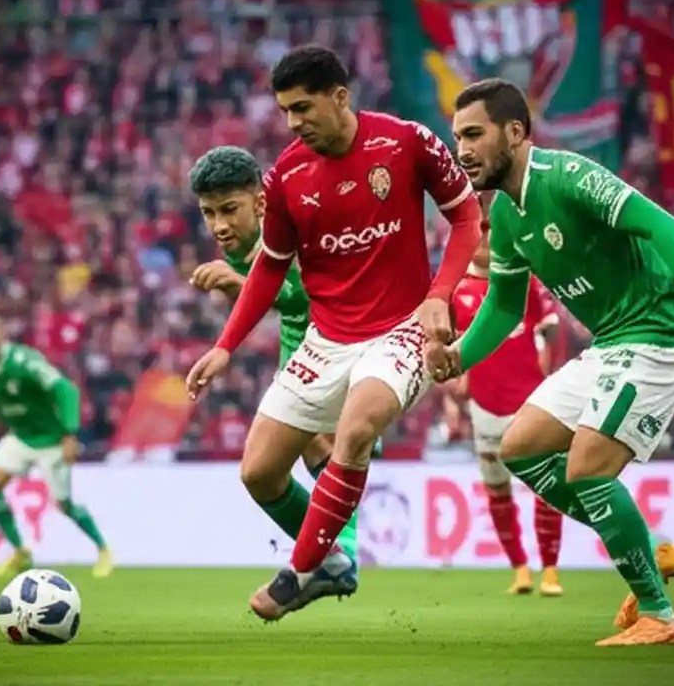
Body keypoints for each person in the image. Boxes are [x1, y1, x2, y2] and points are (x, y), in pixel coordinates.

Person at [439, 78, 674, 646]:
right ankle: (649, 551)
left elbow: (666, 227)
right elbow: (504, 306)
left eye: (474, 134)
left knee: (586, 468)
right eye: (458, 136)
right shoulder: (505, 216)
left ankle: (659, 615)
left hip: (660, 334)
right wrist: (459, 355)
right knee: (520, 448)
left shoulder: (568, 176)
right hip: (612, 341)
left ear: (515, 131)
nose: (462, 149)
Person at [185, 45, 482, 621]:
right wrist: (225, 347)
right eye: (285, 111)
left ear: (340, 97)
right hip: (327, 339)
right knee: (259, 472)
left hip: (402, 328)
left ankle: (302, 569)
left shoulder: (405, 142)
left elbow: (467, 218)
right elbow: (270, 267)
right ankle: (332, 561)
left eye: (302, 108)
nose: (292, 122)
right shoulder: (287, 176)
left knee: (355, 427)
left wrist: (439, 295)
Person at [187, 145, 362, 577]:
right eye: (209, 213)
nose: (219, 225)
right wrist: (236, 301)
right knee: (264, 469)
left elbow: (311, 293)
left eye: (229, 209)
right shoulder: (239, 242)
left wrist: (239, 284)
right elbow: (280, 300)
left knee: (319, 439)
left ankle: (343, 550)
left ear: (260, 202)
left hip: (343, 334)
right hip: (296, 341)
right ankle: (331, 553)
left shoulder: (295, 218)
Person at [450, 213, 564, 597]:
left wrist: (550, 373)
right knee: (497, 491)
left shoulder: (522, 279)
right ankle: (520, 569)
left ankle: (550, 571)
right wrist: (453, 391)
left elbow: (551, 328)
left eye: (489, 232)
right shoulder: (456, 291)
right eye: (477, 233)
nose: (483, 240)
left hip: (530, 403)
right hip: (484, 406)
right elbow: (447, 351)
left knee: (546, 488)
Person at [0, 312, 113, 580]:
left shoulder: (25, 361)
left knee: (64, 504)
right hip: (21, 437)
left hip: (52, 439)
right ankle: (20, 551)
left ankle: (103, 549)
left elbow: (66, 390)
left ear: (2, 333)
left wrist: (70, 434)